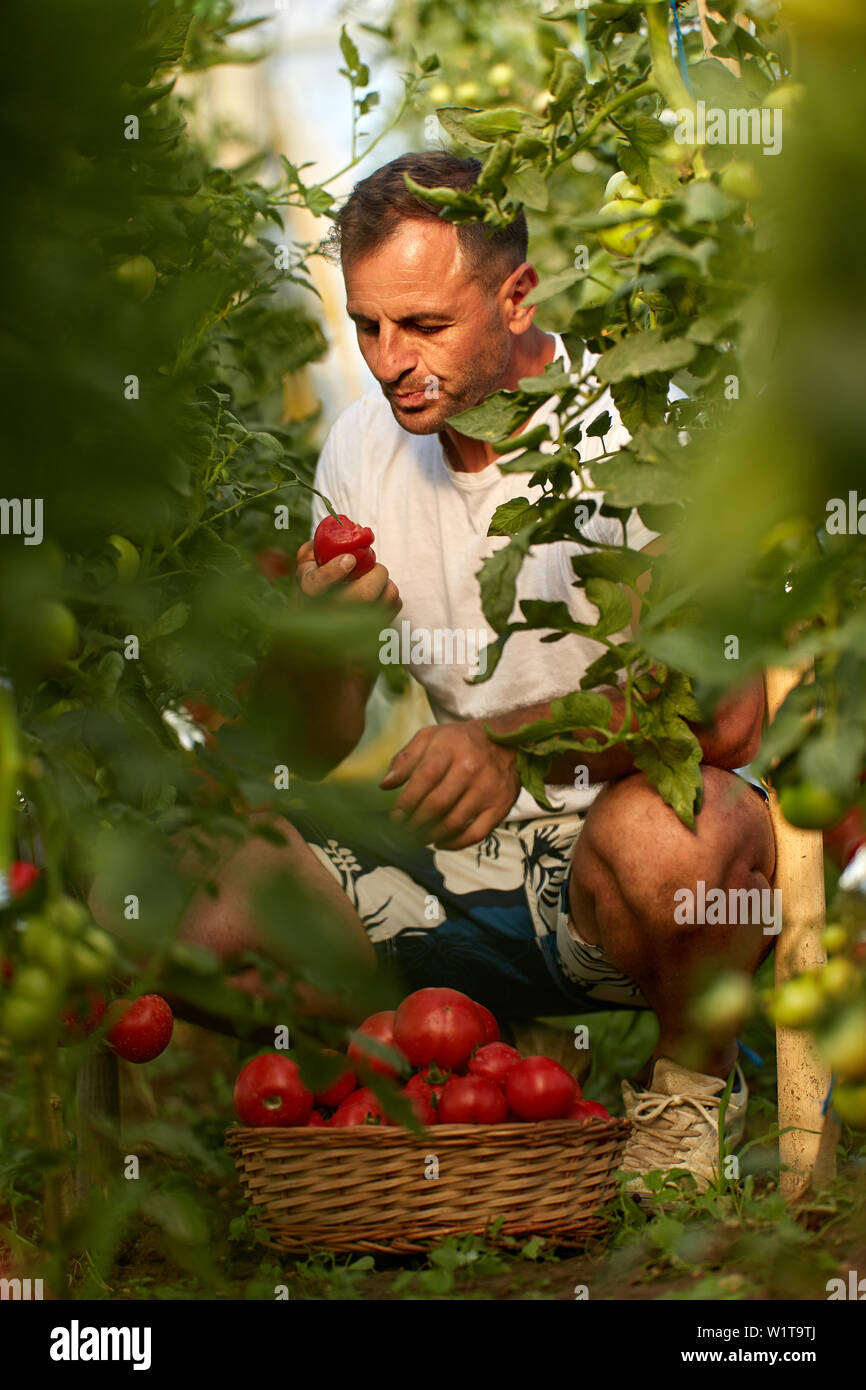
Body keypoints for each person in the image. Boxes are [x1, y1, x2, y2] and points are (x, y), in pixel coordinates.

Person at [175, 152, 774, 1196]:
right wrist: (320, 646)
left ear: (514, 296)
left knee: (690, 830)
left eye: (424, 325)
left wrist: (513, 739)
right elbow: (316, 742)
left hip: (616, 860)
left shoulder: (635, 421)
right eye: (366, 326)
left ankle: (686, 1100)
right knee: (185, 891)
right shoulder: (361, 447)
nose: (388, 359)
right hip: (451, 858)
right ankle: (429, 1084)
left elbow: (722, 711)